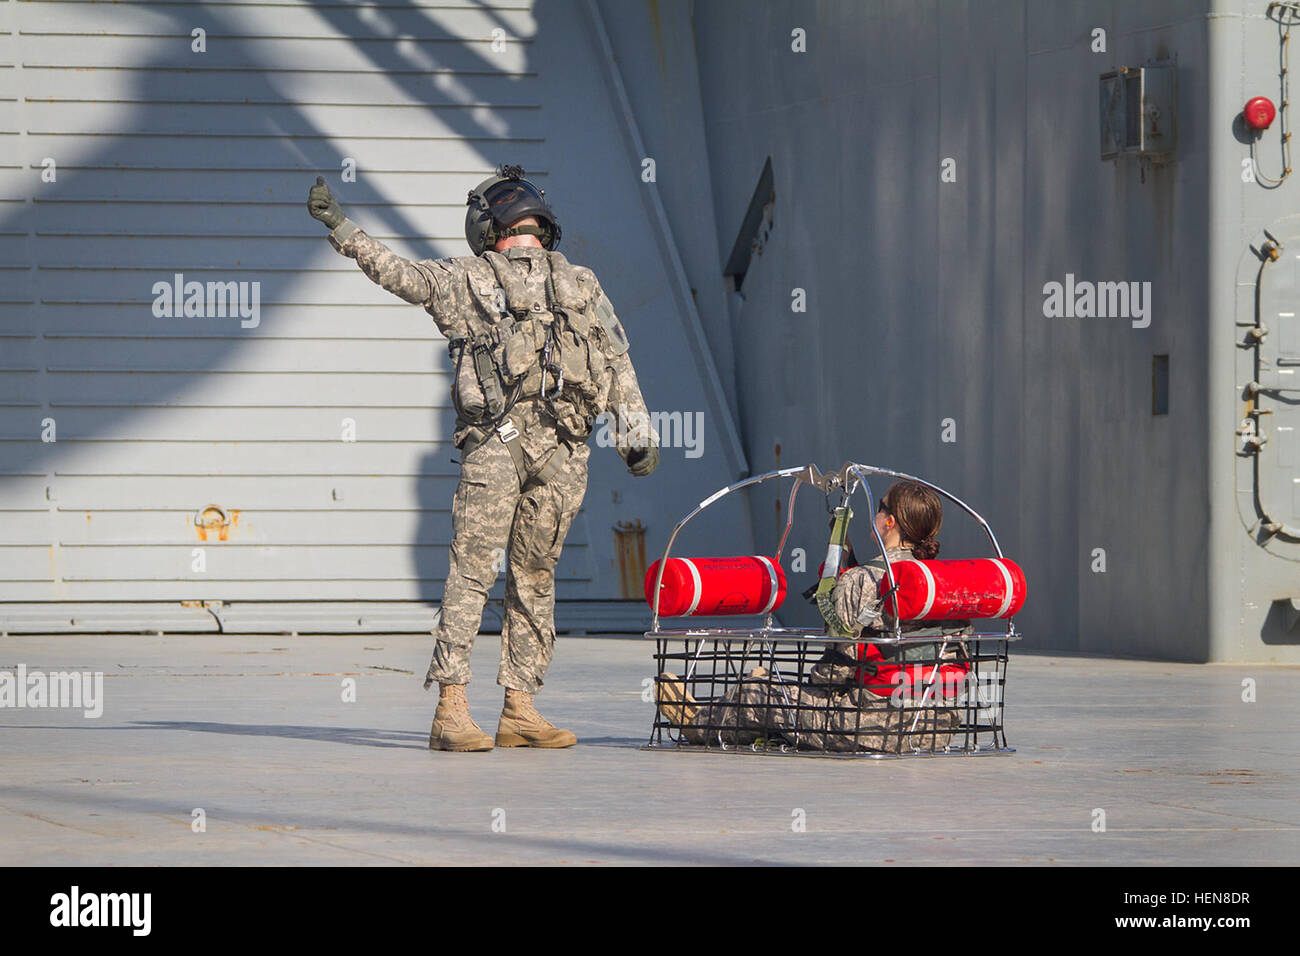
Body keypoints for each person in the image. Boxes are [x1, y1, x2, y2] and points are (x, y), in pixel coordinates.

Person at [308, 166, 658, 752]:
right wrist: (636, 434)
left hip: (501, 447)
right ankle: (497, 707)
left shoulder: (469, 278)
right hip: (564, 450)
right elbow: (618, 359)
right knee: (534, 578)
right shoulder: (582, 282)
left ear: (487, 225)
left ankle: (474, 709)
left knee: (473, 575)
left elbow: (400, 276)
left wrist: (344, 230)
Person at [656, 481, 970, 753]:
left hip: (871, 729)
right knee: (781, 692)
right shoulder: (946, 584)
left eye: (879, 507)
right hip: (935, 726)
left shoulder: (860, 581)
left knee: (755, 695)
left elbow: (833, 672)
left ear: (889, 522)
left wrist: (804, 689)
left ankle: (697, 723)